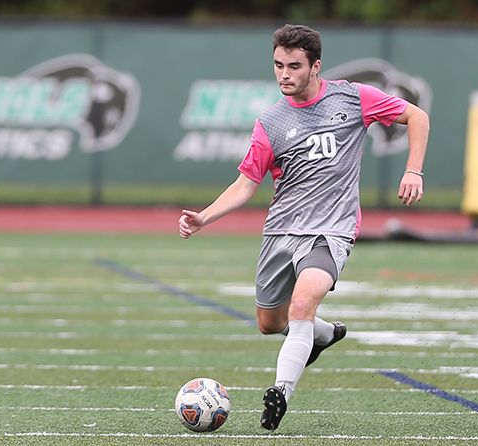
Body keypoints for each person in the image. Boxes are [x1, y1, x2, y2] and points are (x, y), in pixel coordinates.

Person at [178, 23, 429, 432]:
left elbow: (416, 116)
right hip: (281, 232)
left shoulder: (352, 97)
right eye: (278, 65)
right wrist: (205, 216)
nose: (284, 75)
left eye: (294, 66)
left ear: (316, 66)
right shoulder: (271, 123)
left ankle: (280, 392)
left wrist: (413, 170)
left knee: (301, 307)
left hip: (331, 230)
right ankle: (323, 335)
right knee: (270, 323)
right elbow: (246, 184)